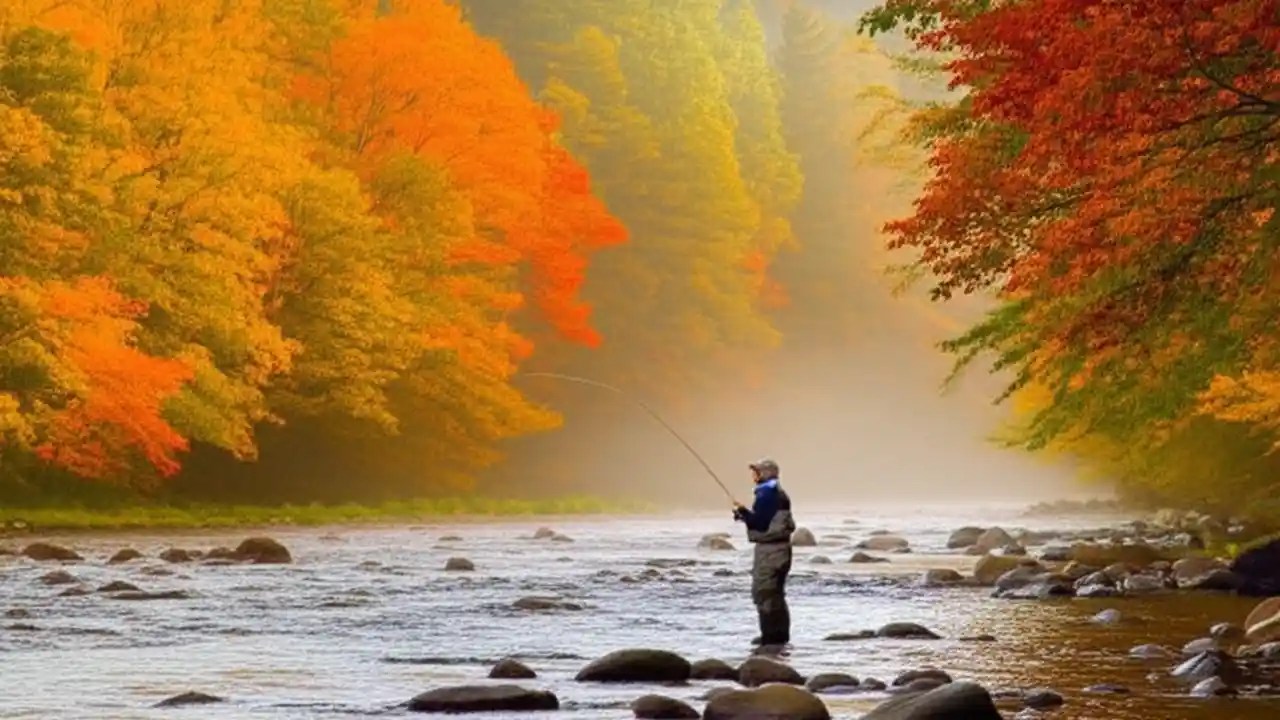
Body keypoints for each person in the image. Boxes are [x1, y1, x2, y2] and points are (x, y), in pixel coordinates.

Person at [732, 457, 795, 646]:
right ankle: (779, 637)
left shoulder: (767, 494)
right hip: (779, 549)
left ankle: (770, 637)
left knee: (764, 592)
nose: (753, 475)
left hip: (771, 551)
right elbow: (765, 520)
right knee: (775, 594)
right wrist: (745, 515)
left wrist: (744, 513)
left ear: (765, 473)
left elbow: (760, 523)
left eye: (756, 472)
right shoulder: (776, 492)